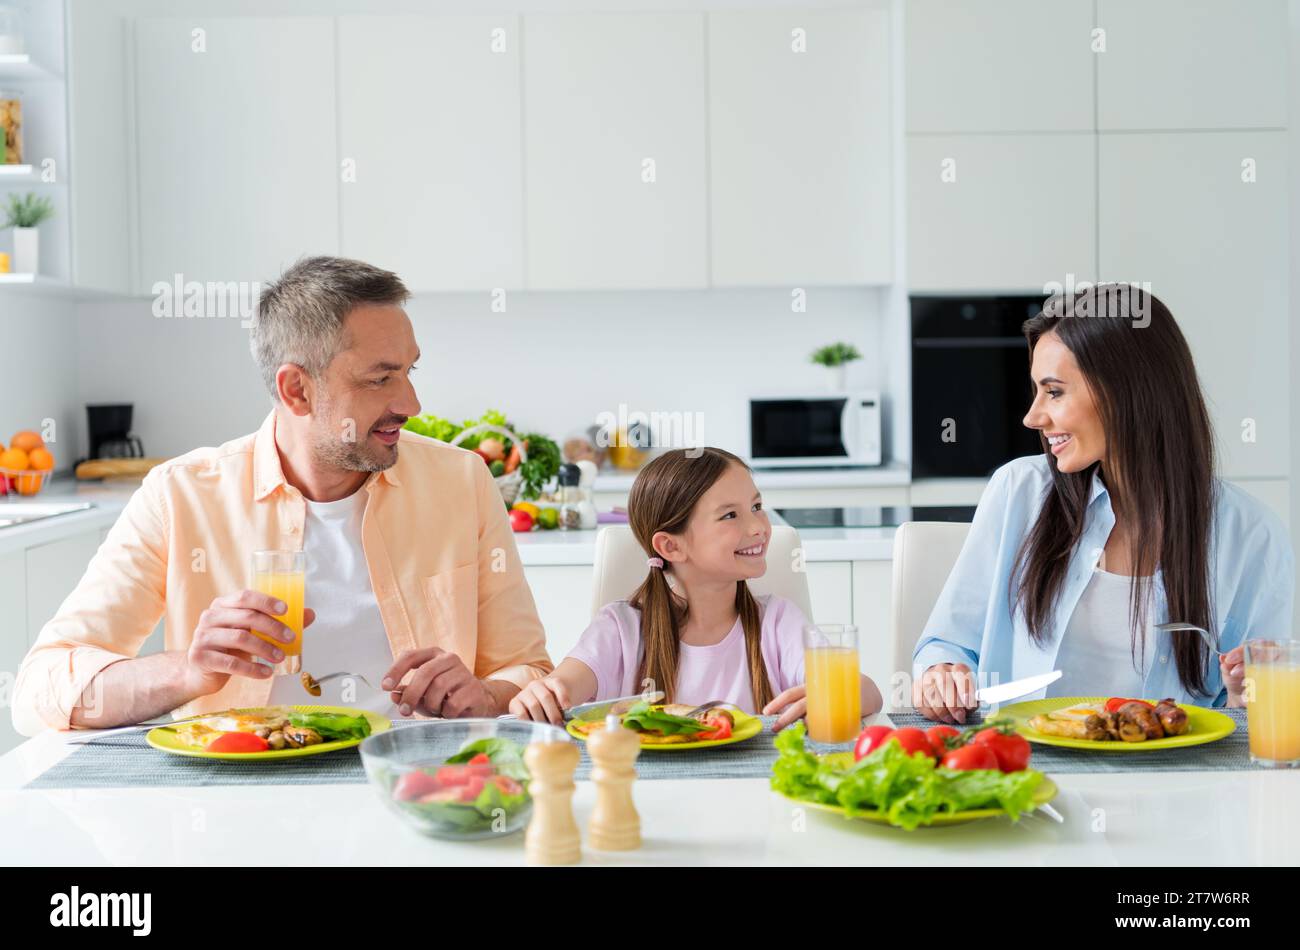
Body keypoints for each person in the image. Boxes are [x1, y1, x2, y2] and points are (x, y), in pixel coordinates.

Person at [12, 256, 552, 735]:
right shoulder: (180, 496)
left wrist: (486, 695)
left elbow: (529, 670)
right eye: (380, 378)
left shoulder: (460, 481)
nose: (410, 402)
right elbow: (37, 691)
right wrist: (188, 672)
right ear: (297, 389)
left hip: (419, 785)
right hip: (242, 796)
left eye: (410, 371)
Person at [913, 284, 1294, 723]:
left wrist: (1245, 696)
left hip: (1173, 781)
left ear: (1127, 392)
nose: (1033, 417)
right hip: (1028, 772)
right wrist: (941, 673)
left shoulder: (1252, 536)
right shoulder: (1018, 492)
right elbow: (946, 644)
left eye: (1054, 392)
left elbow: (1256, 713)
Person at [510, 447, 883, 730]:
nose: (759, 527)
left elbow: (869, 692)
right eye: (730, 515)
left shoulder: (778, 621)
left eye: (756, 506)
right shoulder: (620, 628)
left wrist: (836, 694)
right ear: (671, 546)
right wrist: (543, 693)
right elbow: (563, 686)